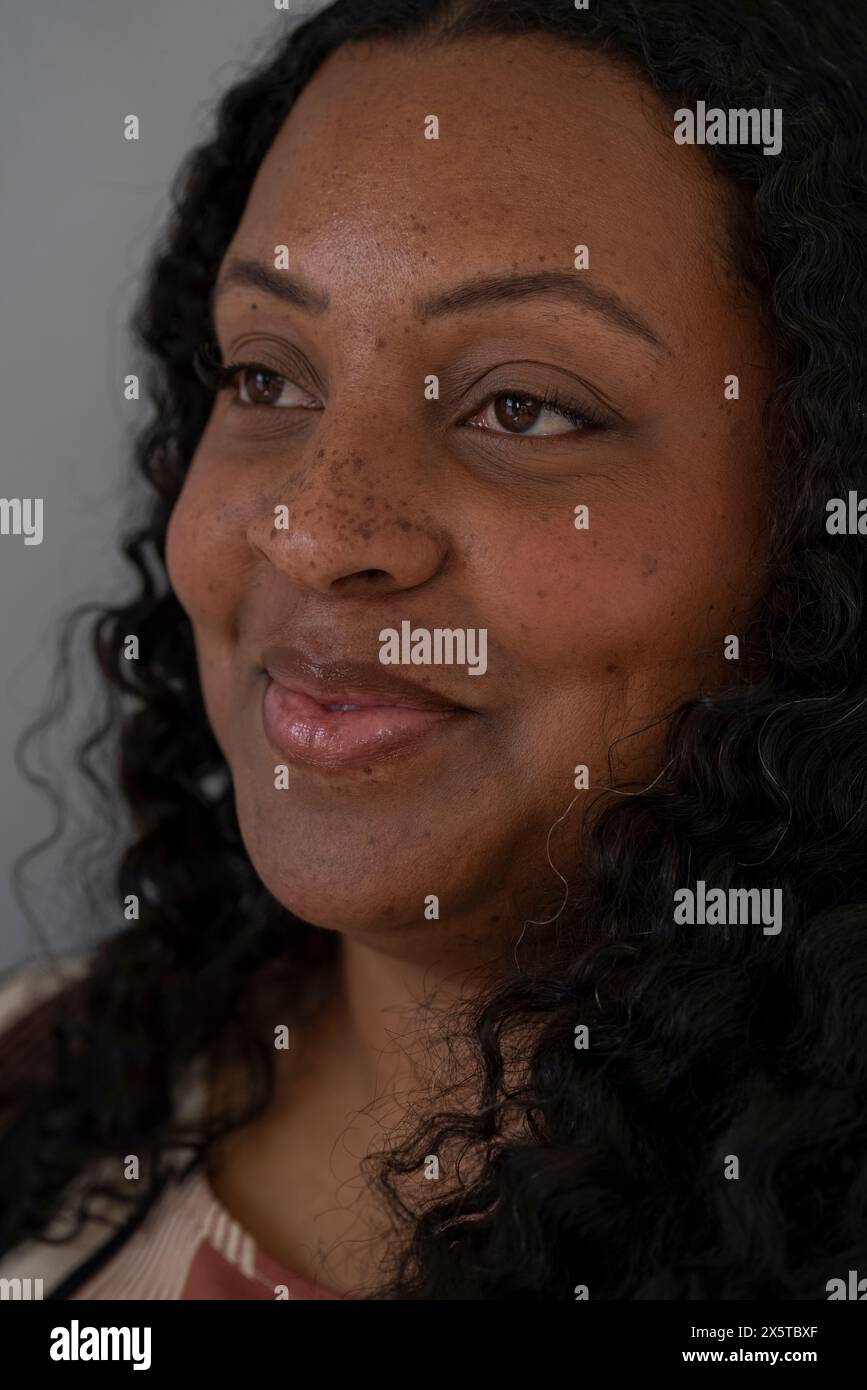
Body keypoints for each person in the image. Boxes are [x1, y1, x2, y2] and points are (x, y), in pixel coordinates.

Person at [1, 0, 866, 1301]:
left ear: (820, 526)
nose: (314, 528)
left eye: (523, 404)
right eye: (267, 379)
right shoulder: (35, 1069)